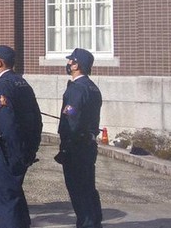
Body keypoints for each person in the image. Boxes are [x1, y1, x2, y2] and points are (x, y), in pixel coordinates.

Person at [0, 45, 42, 228]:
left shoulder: (3, 85)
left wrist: (14, 153)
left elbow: (6, 122)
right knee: (15, 194)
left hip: (7, 150)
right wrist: (31, 149)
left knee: (5, 198)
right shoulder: (22, 82)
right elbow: (37, 119)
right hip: (22, 147)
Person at [57, 48, 103, 228]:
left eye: (71, 61)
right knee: (88, 187)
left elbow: (71, 121)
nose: (68, 64)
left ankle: (87, 223)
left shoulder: (77, 89)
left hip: (76, 146)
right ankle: (94, 221)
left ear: (77, 65)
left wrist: (66, 146)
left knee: (78, 190)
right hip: (88, 144)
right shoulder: (93, 87)